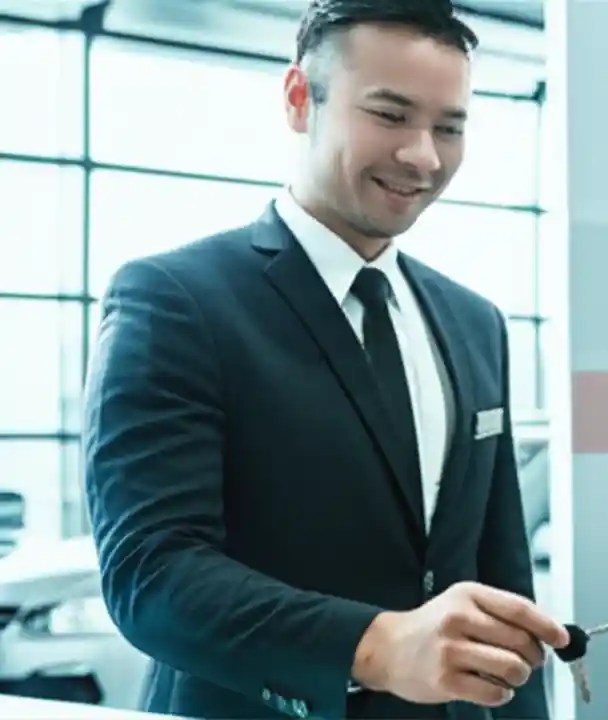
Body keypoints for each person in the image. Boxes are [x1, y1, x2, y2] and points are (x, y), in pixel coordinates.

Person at [82, 1, 568, 718]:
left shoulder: (475, 323)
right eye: (391, 115)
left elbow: (500, 581)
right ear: (298, 99)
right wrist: (375, 646)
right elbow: (152, 576)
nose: (423, 155)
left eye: (449, 126)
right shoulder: (176, 299)